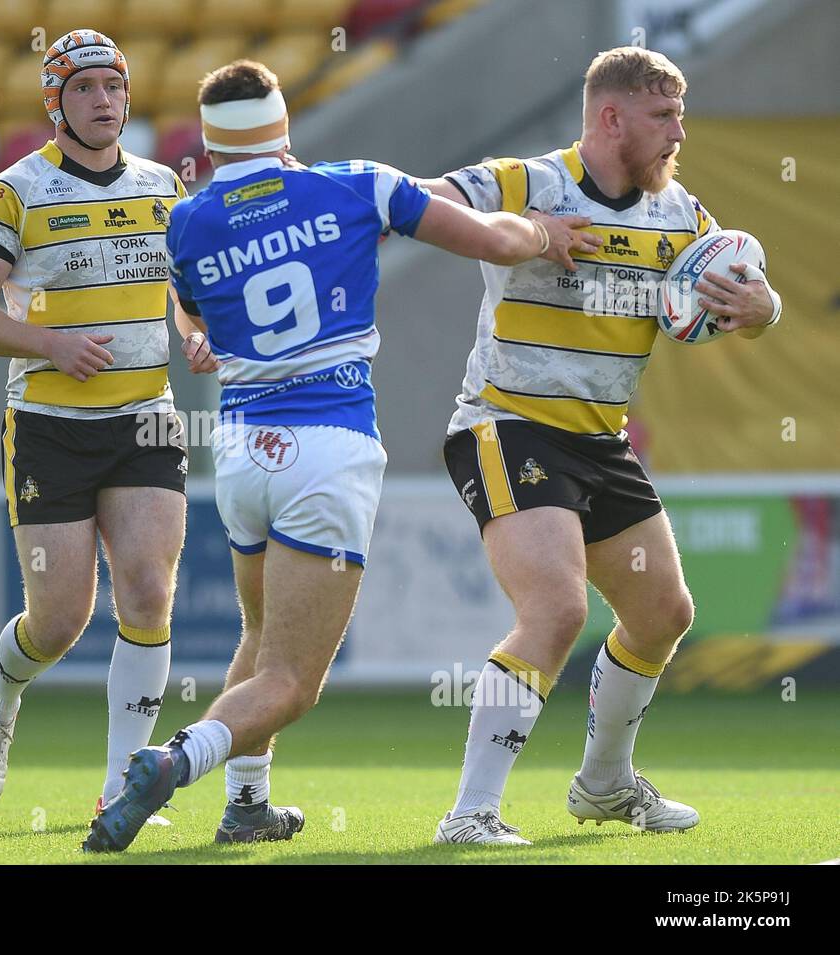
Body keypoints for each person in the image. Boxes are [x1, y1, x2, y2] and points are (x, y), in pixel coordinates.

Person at [84, 59, 596, 852]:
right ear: (285, 129)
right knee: (292, 682)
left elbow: (187, 310)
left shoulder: (186, 220)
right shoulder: (356, 183)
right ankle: (171, 762)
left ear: (214, 148)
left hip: (242, 451)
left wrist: (199, 337)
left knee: (258, 638)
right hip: (327, 450)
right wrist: (542, 231)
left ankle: (246, 806)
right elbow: (489, 238)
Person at [413, 46, 783, 844]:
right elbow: (417, 201)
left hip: (598, 440)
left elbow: (749, 287)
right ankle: (470, 812)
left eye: (680, 115)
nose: (678, 132)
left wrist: (762, 309)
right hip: (506, 424)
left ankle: (605, 784)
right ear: (611, 117)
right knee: (555, 608)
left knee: (663, 613)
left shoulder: (680, 214)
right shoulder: (528, 181)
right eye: (663, 117)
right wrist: (521, 232)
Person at [0, 30, 214, 816]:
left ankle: (127, 788)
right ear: (54, 102)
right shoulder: (14, 192)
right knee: (60, 619)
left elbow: (180, 287)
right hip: (49, 426)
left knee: (150, 592)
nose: (103, 101)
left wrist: (192, 334)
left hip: (146, 419)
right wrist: (48, 343)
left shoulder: (164, 185)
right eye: (85, 88)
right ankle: (0, 699)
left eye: (113, 88)